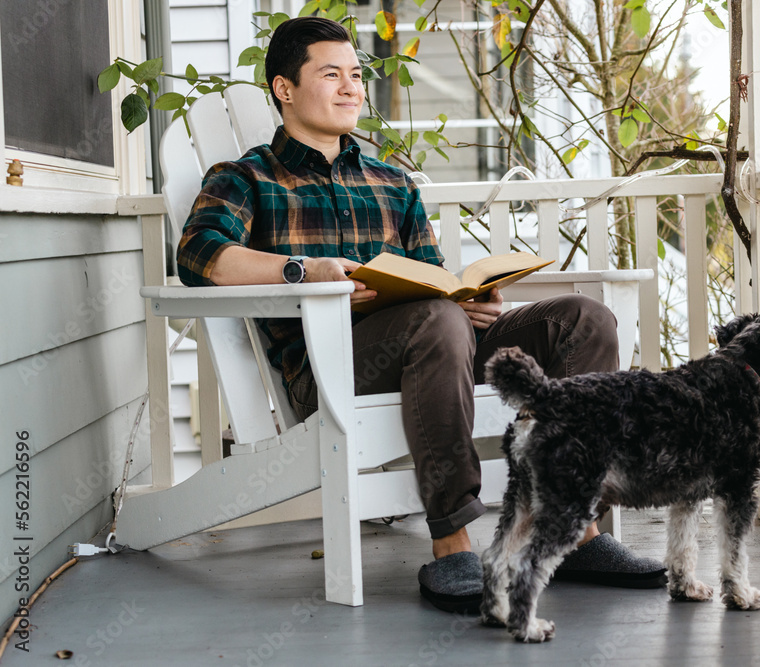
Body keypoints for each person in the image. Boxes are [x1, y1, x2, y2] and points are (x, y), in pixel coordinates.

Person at [176, 16, 665, 613]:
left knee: (584, 319)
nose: (351, 87)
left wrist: (474, 300)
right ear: (284, 88)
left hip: (437, 342)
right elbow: (199, 254)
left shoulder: (392, 183)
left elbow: (433, 281)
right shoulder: (247, 177)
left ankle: (577, 529)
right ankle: (453, 543)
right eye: (331, 75)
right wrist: (305, 269)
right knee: (437, 321)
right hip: (331, 369)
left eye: (355, 75)